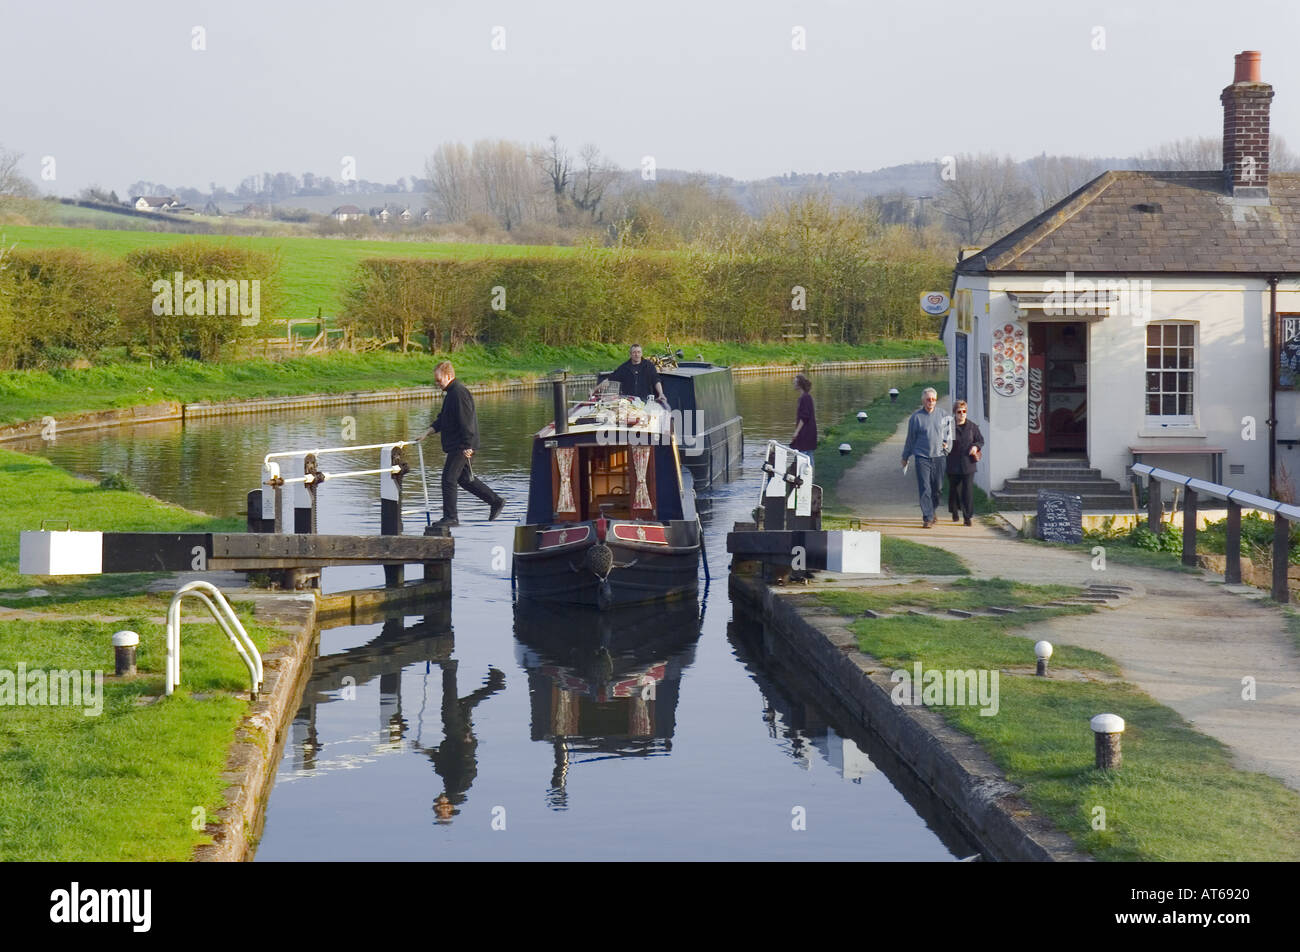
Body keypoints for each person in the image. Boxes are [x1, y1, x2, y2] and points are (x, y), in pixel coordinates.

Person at [421, 360, 504, 527]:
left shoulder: (458, 393)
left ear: (449, 375)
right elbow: (444, 418)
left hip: (462, 446)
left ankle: (451, 518)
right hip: (461, 445)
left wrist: (468, 446)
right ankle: (495, 501)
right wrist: (428, 431)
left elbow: (467, 421)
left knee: (448, 479)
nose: (437, 383)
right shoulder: (452, 393)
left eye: (439, 379)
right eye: (435, 380)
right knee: (465, 479)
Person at [900, 387, 949, 528]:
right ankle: (927, 517)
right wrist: (905, 456)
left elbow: (949, 436)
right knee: (924, 488)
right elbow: (910, 439)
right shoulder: (916, 418)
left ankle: (932, 511)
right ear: (923, 400)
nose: (931, 402)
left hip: (939, 457)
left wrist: (947, 444)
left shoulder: (943, 415)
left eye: (934, 399)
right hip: (922, 457)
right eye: (928, 399)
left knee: (937, 488)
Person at [945, 400, 984, 526]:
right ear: (954, 413)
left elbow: (980, 440)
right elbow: (941, 440)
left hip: (968, 463)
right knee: (954, 489)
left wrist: (975, 447)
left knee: (967, 491)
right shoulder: (948, 426)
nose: (962, 414)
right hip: (953, 462)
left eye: (964, 411)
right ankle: (955, 511)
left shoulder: (972, 426)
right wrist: (944, 444)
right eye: (959, 412)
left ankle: (967, 517)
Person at [598, 344, 670, 407]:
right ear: (630, 354)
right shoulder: (624, 368)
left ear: (641, 353)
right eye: (634, 352)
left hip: (645, 403)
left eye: (639, 352)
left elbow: (656, 380)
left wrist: (661, 393)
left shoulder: (649, 366)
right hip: (628, 404)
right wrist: (594, 390)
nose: (637, 354)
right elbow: (609, 379)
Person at [790, 373, 817, 451]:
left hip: (806, 431)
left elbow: (804, 417)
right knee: (808, 454)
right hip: (808, 430)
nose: (793, 384)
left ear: (799, 385)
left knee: (804, 454)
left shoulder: (805, 398)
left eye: (795, 382)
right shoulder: (805, 397)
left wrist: (796, 432)